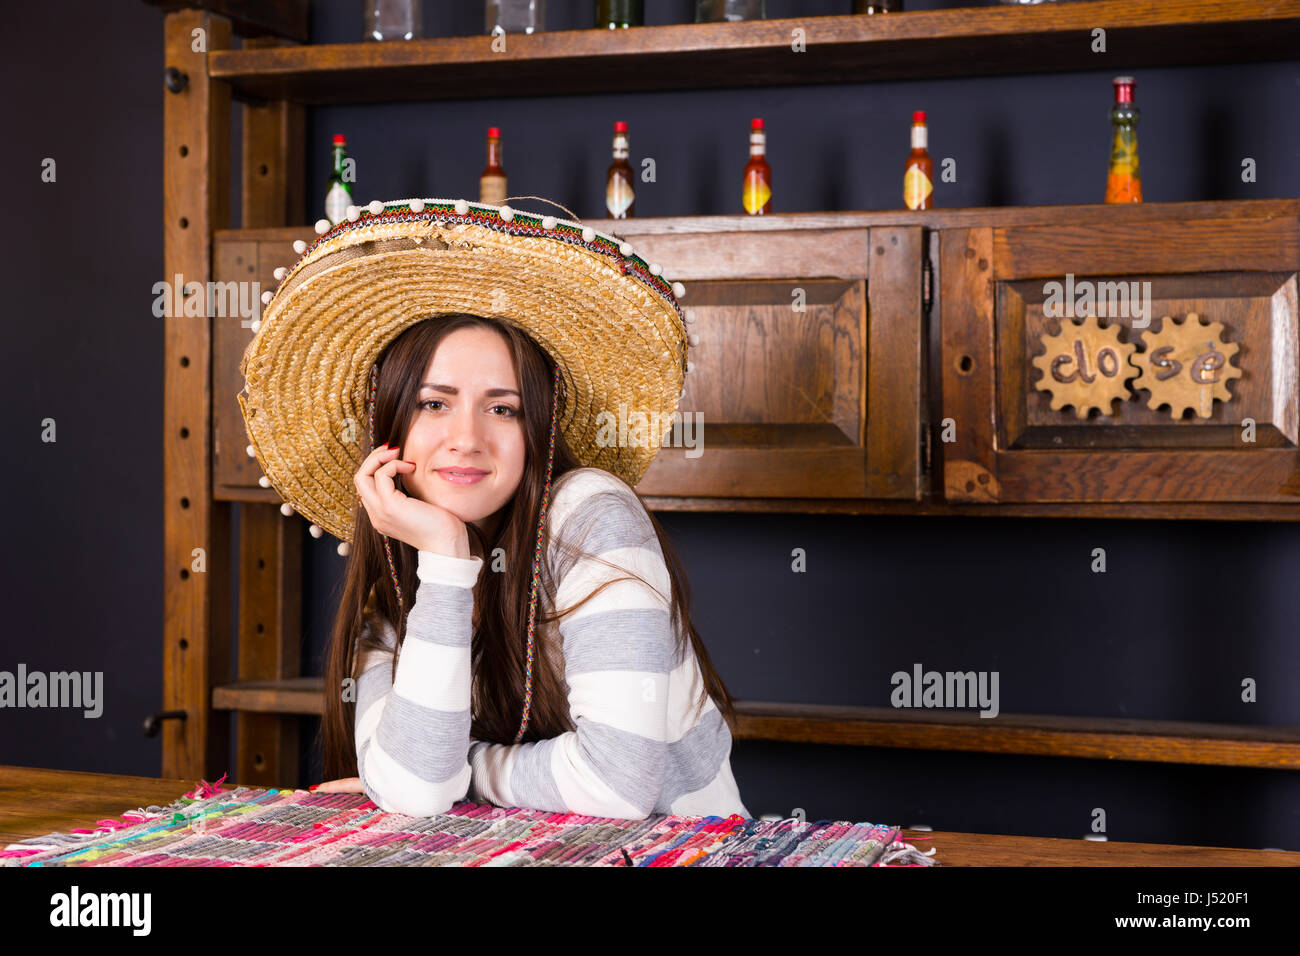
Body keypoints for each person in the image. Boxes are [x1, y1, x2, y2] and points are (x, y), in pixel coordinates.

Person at [239, 196, 749, 820]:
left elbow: (617, 785)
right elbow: (416, 791)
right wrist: (448, 560)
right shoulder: (401, 583)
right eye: (434, 403)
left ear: (537, 428)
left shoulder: (591, 515)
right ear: (389, 424)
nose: (468, 437)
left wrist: (465, 768)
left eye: (502, 408)